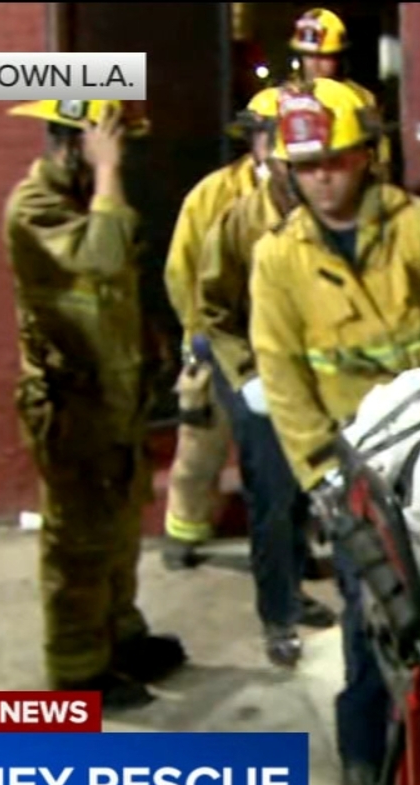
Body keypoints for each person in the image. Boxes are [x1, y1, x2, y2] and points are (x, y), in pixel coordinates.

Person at [245, 77, 420, 785]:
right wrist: (321, 481)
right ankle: (360, 774)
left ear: (365, 157)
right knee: (370, 633)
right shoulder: (278, 259)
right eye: (305, 166)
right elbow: (283, 380)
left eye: (335, 162)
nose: (321, 178)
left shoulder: (419, 228)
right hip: (355, 480)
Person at [4, 99, 186, 710]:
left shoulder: (87, 197)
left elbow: (112, 284)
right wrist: (107, 171)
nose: (121, 152)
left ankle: (119, 634)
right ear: (70, 141)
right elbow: (102, 253)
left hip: (115, 392)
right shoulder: (34, 207)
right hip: (71, 401)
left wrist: (147, 337)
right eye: (108, 139)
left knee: (118, 525)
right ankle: (78, 669)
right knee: (78, 538)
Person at [195, 84, 338, 670]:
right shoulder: (237, 225)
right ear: (270, 162)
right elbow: (212, 313)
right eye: (292, 166)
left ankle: (296, 588)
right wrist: (247, 374)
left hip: (313, 378)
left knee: (308, 492)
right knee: (273, 500)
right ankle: (276, 616)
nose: (304, 176)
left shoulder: (327, 220)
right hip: (256, 382)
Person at [158, 87, 284, 570]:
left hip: (273, 347)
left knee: (275, 457)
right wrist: (198, 330)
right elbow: (180, 268)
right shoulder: (213, 196)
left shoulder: (299, 194)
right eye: (265, 135)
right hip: (218, 341)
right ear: (251, 138)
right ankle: (184, 532)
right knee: (200, 443)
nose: (272, 145)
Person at [288, 7, 392, 180]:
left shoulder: (360, 98)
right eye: (309, 56)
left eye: (325, 57)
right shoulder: (284, 97)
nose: (316, 64)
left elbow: (380, 155)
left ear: (339, 58)